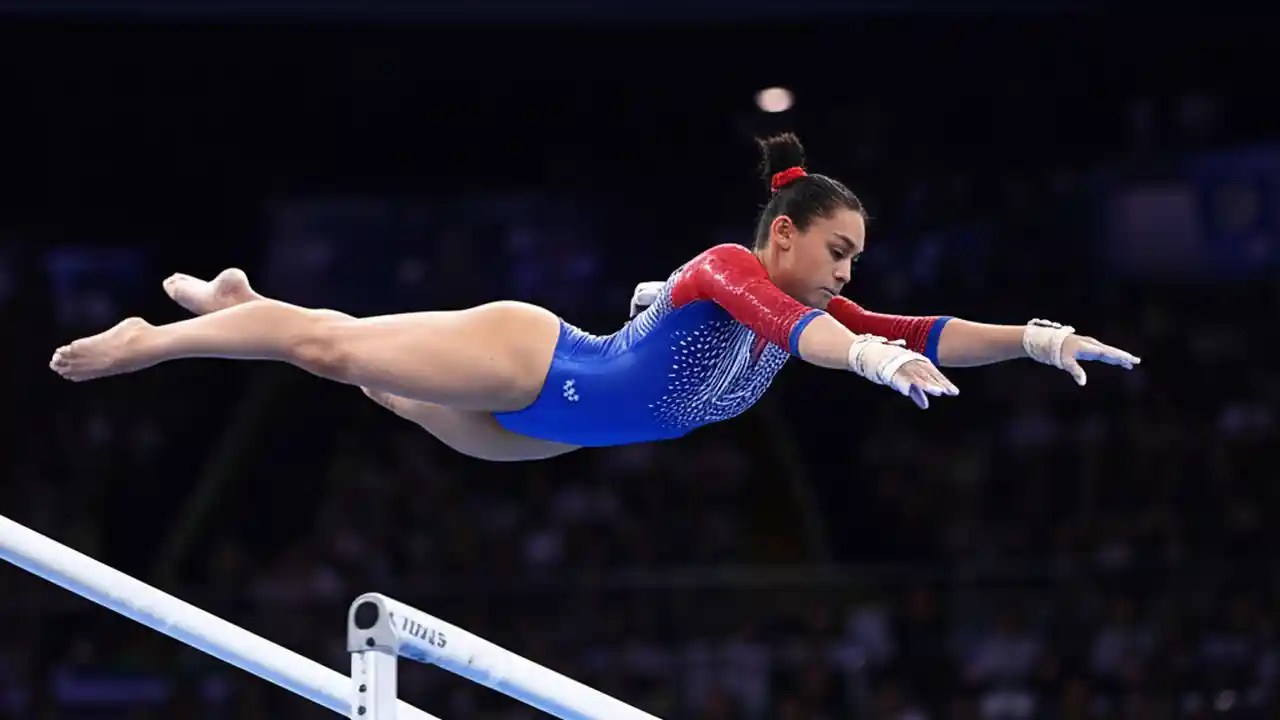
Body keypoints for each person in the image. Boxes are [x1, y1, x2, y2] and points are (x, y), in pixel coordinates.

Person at [49, 132, 1140, 462]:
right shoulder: (729, 270)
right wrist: (867, 357)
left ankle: (240, 301)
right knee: (334, 353)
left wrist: (1040, 342)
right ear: (784, 233)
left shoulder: (821, 312)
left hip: (543, 436)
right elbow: (802, 330)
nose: (851, 275)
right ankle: (154, 338)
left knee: (373, 386)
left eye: (856, 260)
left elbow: (931, 332)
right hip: (538, 362)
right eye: (839, 251)